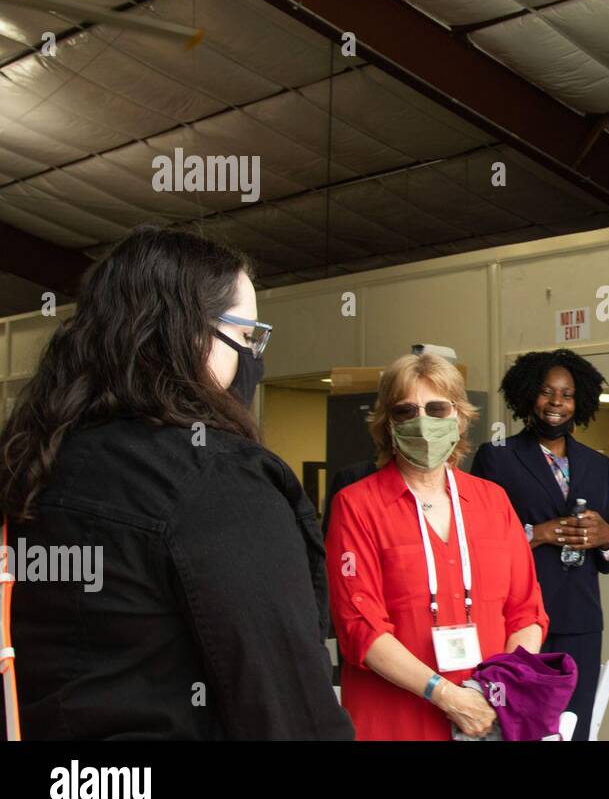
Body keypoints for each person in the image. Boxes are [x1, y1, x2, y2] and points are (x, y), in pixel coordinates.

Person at [0, 226, 352, 739]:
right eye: (249, 335)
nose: (253, 355)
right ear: (189, 333)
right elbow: (290, 711)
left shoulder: (33, 458)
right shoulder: (218, 482)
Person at [327, 352, 548, 740]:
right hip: (393, 719)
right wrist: (446, 696)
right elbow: (360, 628)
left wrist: (497, 692)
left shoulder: (493, 501)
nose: (422, 422)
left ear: (459, 417)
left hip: (485, 718)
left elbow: (526, 612)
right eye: (405, 411)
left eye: (436, 408)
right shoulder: (357, 506)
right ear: (387, 424)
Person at [470, 350, 609, 741]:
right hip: (518, 619)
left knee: (575, 726)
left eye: (567, 394)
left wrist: (608, 540)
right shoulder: (497, 457)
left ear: (580, 401)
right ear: (527, 396)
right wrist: (537, 533)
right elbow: (476, 544)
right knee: (519, 724)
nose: (557, 402)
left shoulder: (597, 464)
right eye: (547, 392)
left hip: (580, 620)